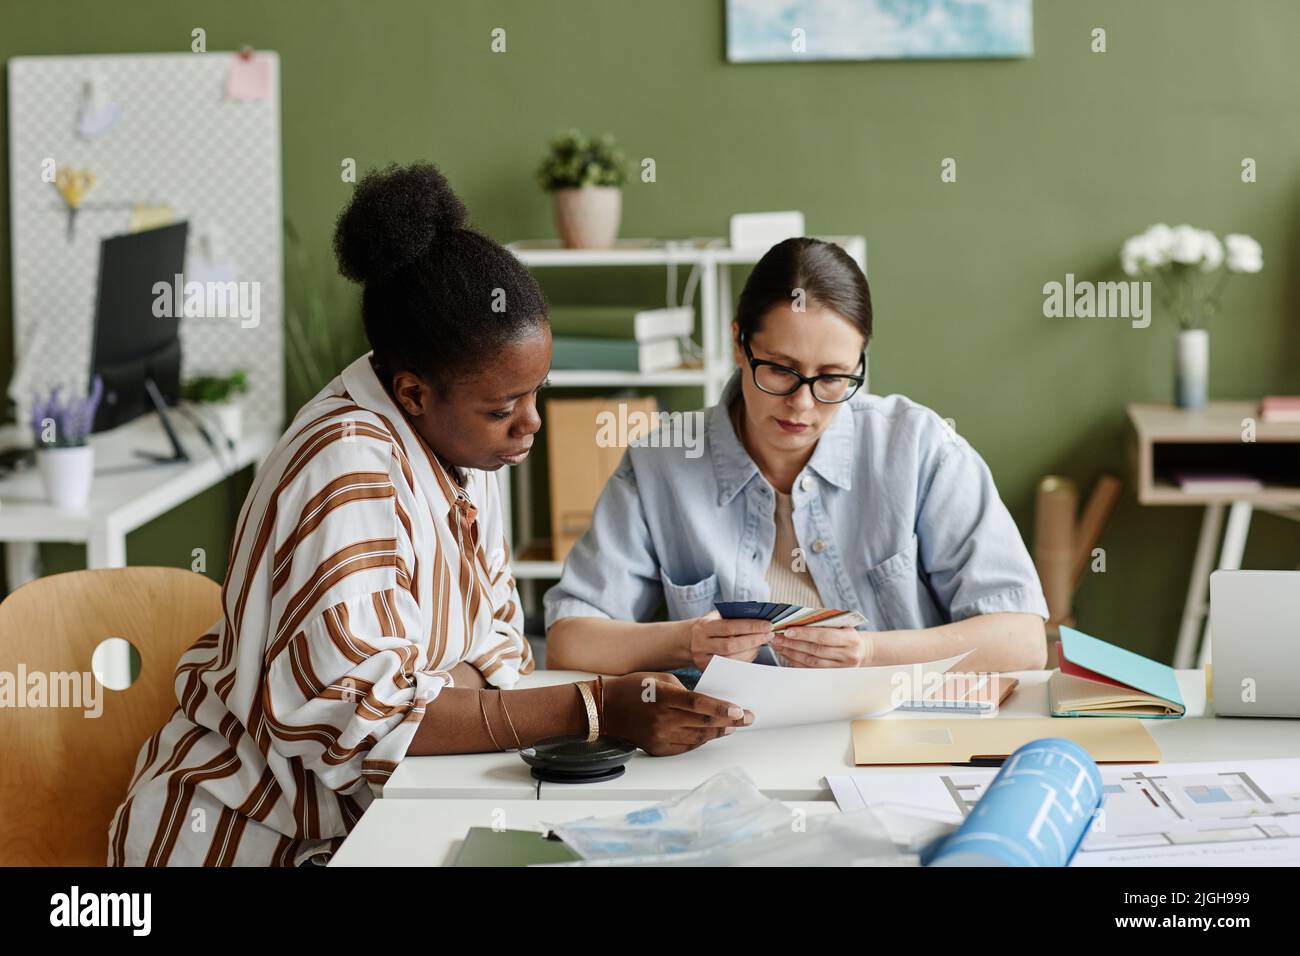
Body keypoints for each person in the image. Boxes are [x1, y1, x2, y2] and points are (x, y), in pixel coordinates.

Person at [108, 163, 751, 867]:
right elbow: (367, 720)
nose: (531, 424)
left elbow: (501, 650)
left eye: (536, 392)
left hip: (380, 811)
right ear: (413, 392)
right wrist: (595, 705)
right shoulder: (347, 466)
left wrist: (436, 702)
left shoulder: (463, 445)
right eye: (503, 408)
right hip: (251, 839)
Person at [545, 237, 1048, 676]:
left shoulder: (919, 447)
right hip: (732, 735)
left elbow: (1023, 642)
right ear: (739, 343)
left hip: (895, 734)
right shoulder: (661, 463)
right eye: (781, 370)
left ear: (859, 362)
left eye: (832, 377)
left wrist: (869, 653)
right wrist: (687, 641)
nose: (802, 405)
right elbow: (570, 641)